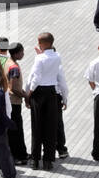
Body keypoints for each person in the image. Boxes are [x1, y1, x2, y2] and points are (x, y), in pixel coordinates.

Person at [26, 32, 68, 170]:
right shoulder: (57, 56)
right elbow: (60, 78)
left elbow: (35, 77)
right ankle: (48, 160)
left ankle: (35, 159)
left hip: (38, 93)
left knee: (37, 127)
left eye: (39, 42)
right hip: (51, 93)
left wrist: (29, 92)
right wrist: (65, 97)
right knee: (50, 127)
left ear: (43, 44)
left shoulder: (39, 59)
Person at [0, 41, 28, 165]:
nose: (23, 54)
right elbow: (14, 88)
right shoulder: (14, 68)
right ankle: (19, 155)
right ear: (17, 53)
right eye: (22, 51)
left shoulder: (8, 62)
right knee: (16, 130)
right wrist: (26, 96)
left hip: (8, 100)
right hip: (14, 102)